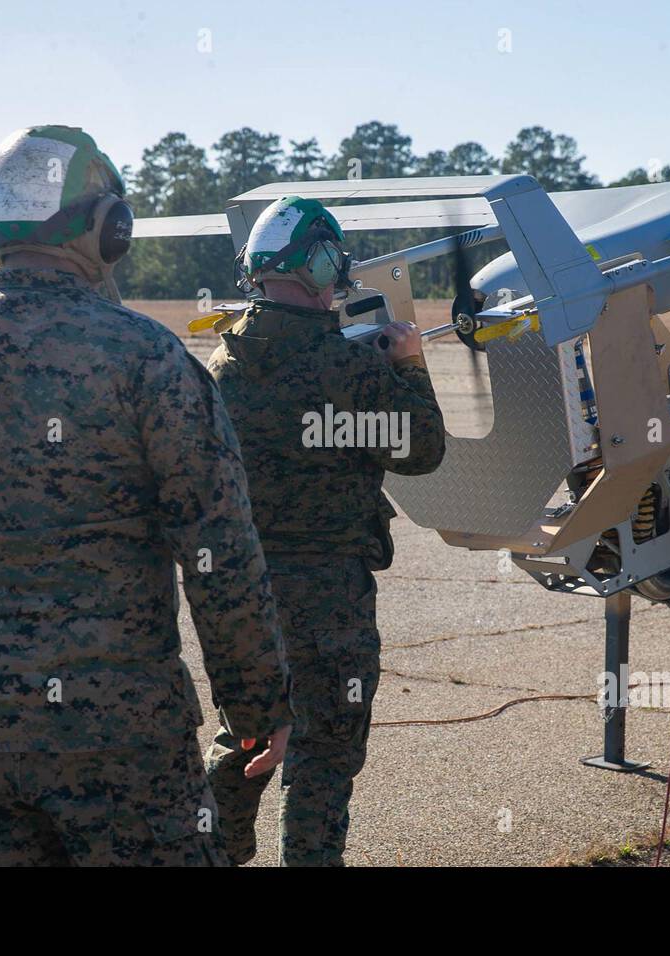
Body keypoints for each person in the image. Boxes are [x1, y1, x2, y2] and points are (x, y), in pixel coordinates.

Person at [0, 126, 292, 866]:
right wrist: (256, 699)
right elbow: (218, 552)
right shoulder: (150, 359)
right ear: (109, 231)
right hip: (128, 745)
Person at [205, 196, 446, 865]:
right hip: (327, 592)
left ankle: (208, 851)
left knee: (248, 732)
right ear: (317, 264)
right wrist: (409, 365)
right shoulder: (350, 368)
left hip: (244, 589)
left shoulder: (221, 365)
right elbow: (422, 448)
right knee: (325, 747)